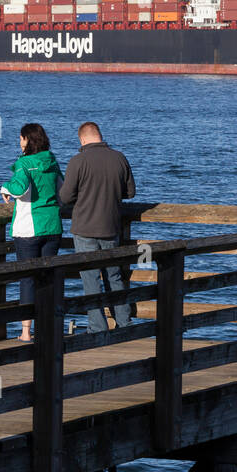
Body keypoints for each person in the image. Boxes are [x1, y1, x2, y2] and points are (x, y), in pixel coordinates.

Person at [58, 121, 136, 333]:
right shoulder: (119, 158)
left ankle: (97, 326)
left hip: (84, 228)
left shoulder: (78, 161)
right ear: (100, 136)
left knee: (90, 278)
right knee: (114, 276)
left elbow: (64, 197)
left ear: (82, 139)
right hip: (111, 226)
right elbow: (131, 193)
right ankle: (125, 323)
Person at [0, 123, 63, 343]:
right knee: (48, 277)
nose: (19, 142)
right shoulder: (52, 161)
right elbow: (62, 191)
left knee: (28, 279)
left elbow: (19, 188)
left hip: (28, 228)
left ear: (27, 140)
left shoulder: (24, 163)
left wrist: (4, 188)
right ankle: (49, 326)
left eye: (21, 138)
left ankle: (27, 331)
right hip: (53, 226)